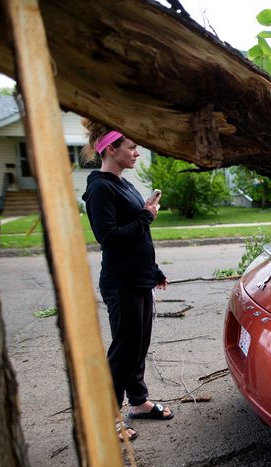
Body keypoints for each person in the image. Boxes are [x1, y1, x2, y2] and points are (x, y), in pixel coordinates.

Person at [81, 119, 173, 442]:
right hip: (121, 283)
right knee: (124, 350)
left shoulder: (123, 184)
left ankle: (138, 401)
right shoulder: (100, 189)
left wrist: (153, 270)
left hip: (138, 278)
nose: (137, 152)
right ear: (110, 149)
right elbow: (109, 237)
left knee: (138, 344)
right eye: (131, 147)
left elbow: (138, 236)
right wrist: (146, 216)